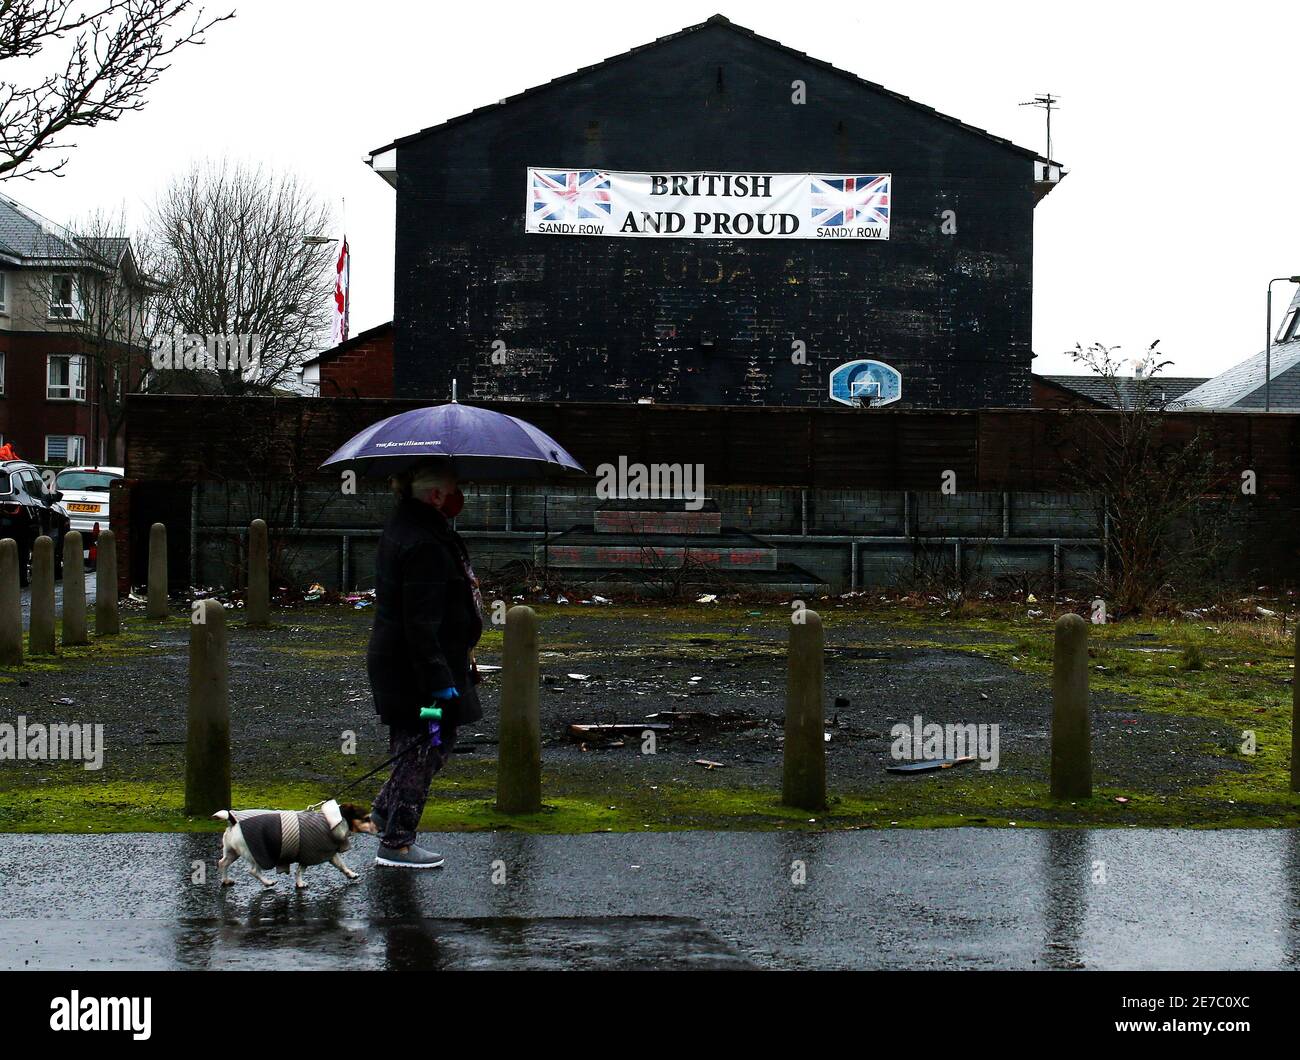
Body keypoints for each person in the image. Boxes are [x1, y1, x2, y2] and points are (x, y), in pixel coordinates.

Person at [367, 461, 483, 868]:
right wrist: (438, 679)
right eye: (454, 487)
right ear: (436, 495)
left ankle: (384, 812)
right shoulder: (425, 543)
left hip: (417, 667)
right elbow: (420, 621)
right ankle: (397, 841)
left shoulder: (414, 529)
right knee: (424, 743)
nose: (459, 495)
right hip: (418, 676)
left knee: (432, 741)